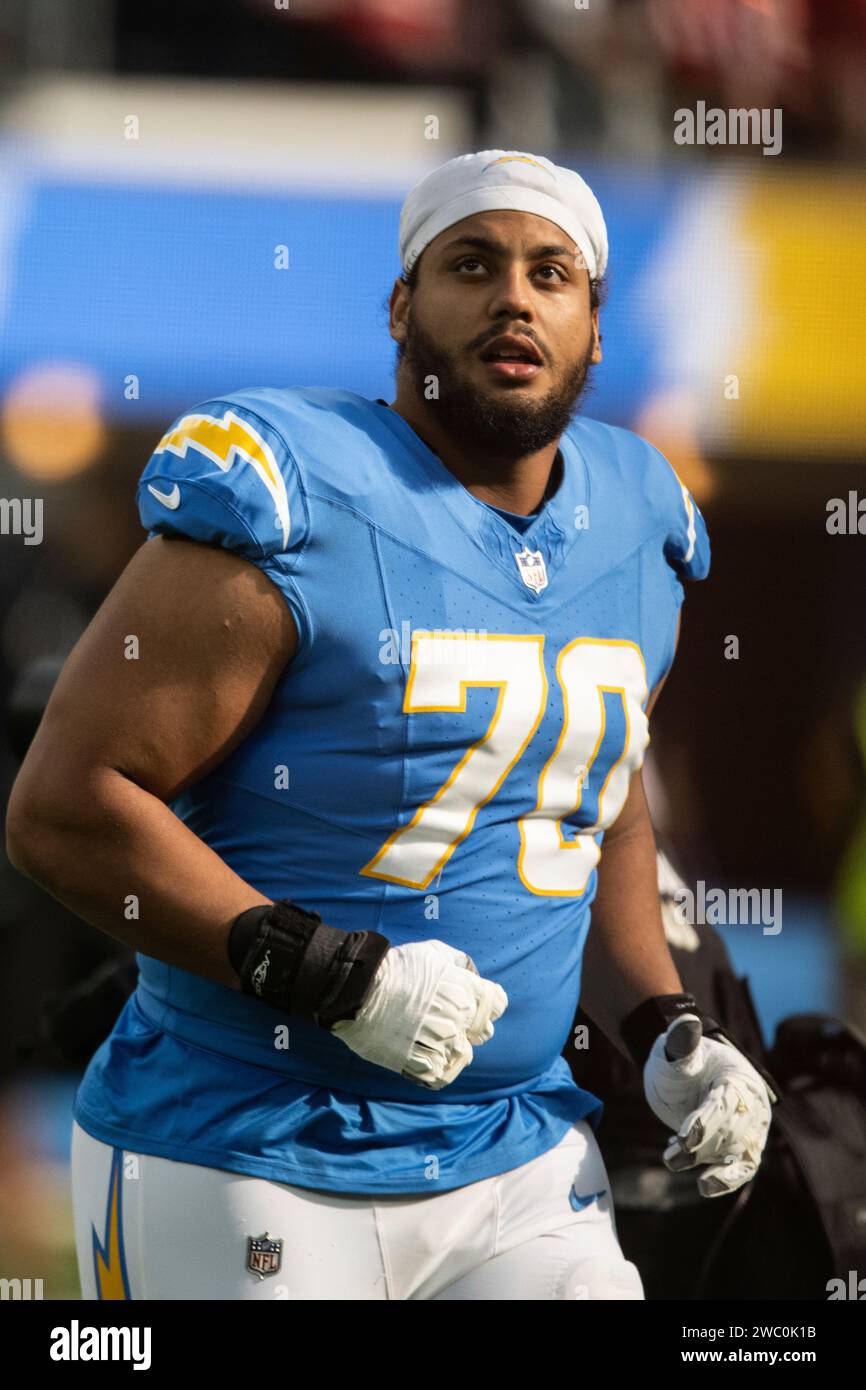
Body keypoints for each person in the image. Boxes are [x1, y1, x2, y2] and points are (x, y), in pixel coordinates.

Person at [6, 149, 774, 1301]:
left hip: (514, 1153)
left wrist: (664, 1018)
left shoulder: (638, 514)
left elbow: (593, 794)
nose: (514, 296)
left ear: (595, 327)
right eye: (472, 264)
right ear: (401, 307)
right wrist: (332, 976)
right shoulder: (293, 490)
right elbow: (64, 810)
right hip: (248, 1141)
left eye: (550, 272)